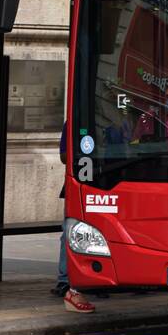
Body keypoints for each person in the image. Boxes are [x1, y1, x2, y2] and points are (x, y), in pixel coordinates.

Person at [55, 122, 95, 312]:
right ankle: (64, 279)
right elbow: (64, 156)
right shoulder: (72, 123)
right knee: (69, 231)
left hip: (100, 181)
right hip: (78, 182)